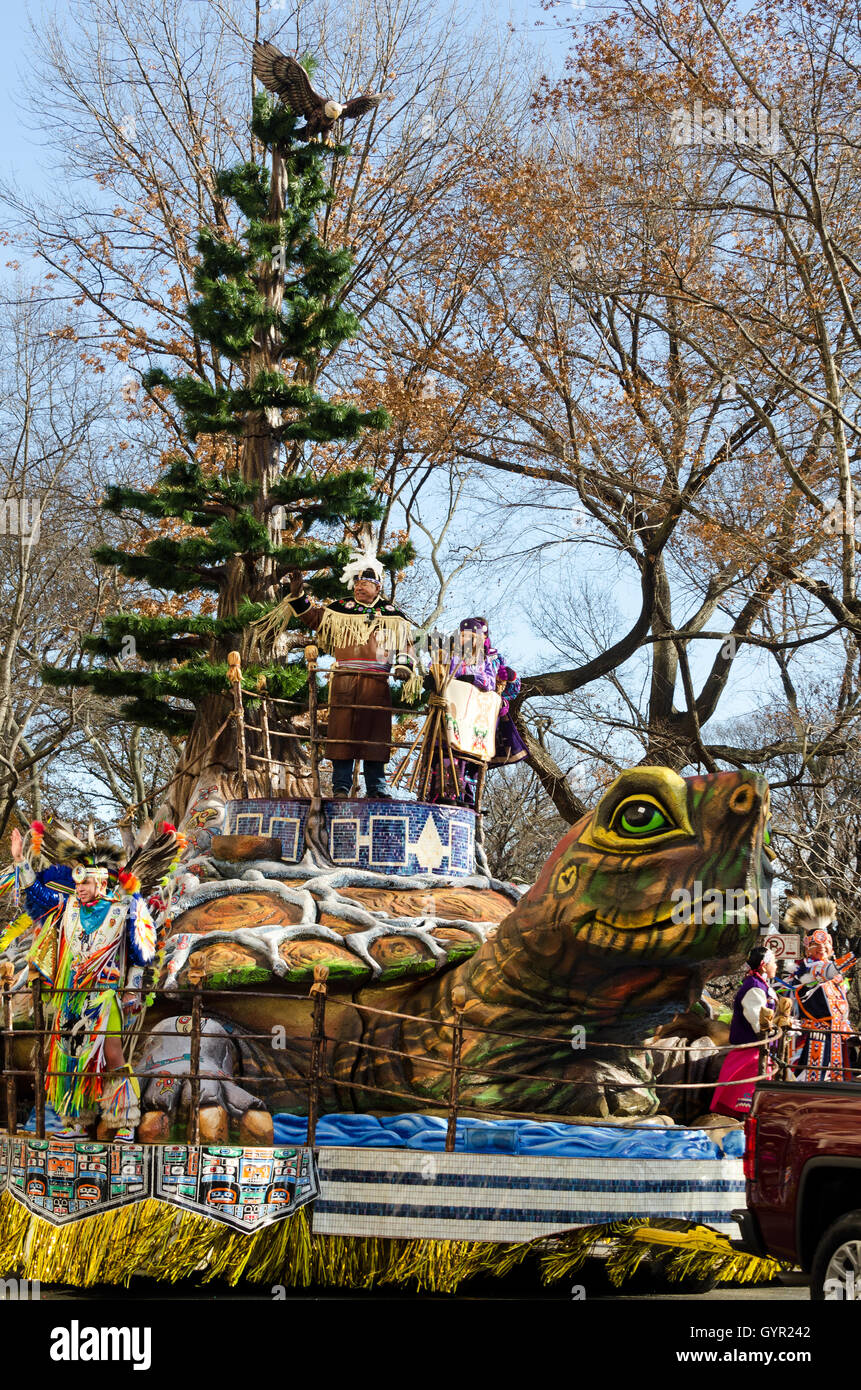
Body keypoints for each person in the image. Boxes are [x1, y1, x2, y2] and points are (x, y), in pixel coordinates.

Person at [4, 819, 179, 1140]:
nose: (80, 888)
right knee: (72, 1058)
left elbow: (141, 951)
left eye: (85, 883)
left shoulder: (122, 908)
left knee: (112, 1055)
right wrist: (19, 861)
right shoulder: (68, 907)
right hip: (71, 996)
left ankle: (124, 1122)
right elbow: (38, 894)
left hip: (104, 995)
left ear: (101, 882)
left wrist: (132, 990)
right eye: (77, 883)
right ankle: (79, 1124)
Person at [278, 547, 420, 799]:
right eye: (356, 582)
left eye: (364, 582)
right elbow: (313, 618)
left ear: (378, 586)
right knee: (341, 734)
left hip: (377, 683)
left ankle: (376, 788)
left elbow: (406, 645)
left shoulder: (393, 616)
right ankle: (340, 787)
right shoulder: (339, 609)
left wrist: (403, 666)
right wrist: (298, 594)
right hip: (344, 681)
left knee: (375, 737)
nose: (358, 586)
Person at [426, 617, 525, 806]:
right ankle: (443, 792)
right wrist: (434, 679)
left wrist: (508, 679)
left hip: (477, 716)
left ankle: (467, 796)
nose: (467, 640)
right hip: (451, 711)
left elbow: (499, 685)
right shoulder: (448, 654)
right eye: (463, 635)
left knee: (471, 756)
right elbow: (436, 670)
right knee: (448, 751)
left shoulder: (490, 659)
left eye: (473, 636)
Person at [784, 896, 858, 1083]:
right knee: (811, 1081)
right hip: (813, 1040)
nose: (822, 949)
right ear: (807, 948)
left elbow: (841, 1011)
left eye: (825, 945)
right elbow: (826, 972)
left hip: (837, 1040)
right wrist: (854, 955)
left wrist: (850, 1033)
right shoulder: (807, 969)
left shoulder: (836, 977)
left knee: (836, 1084)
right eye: (816, 945)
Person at [710, 945, 778, 1119]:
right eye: (774, 962)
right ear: (764, 965)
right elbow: (756, 1019)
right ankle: (745, 1119)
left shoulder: (759, 984)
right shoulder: (754, 987)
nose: (776, 966)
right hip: (751, 1052)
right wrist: (770, 1032)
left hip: (756, 1049)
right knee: (747, 1091)